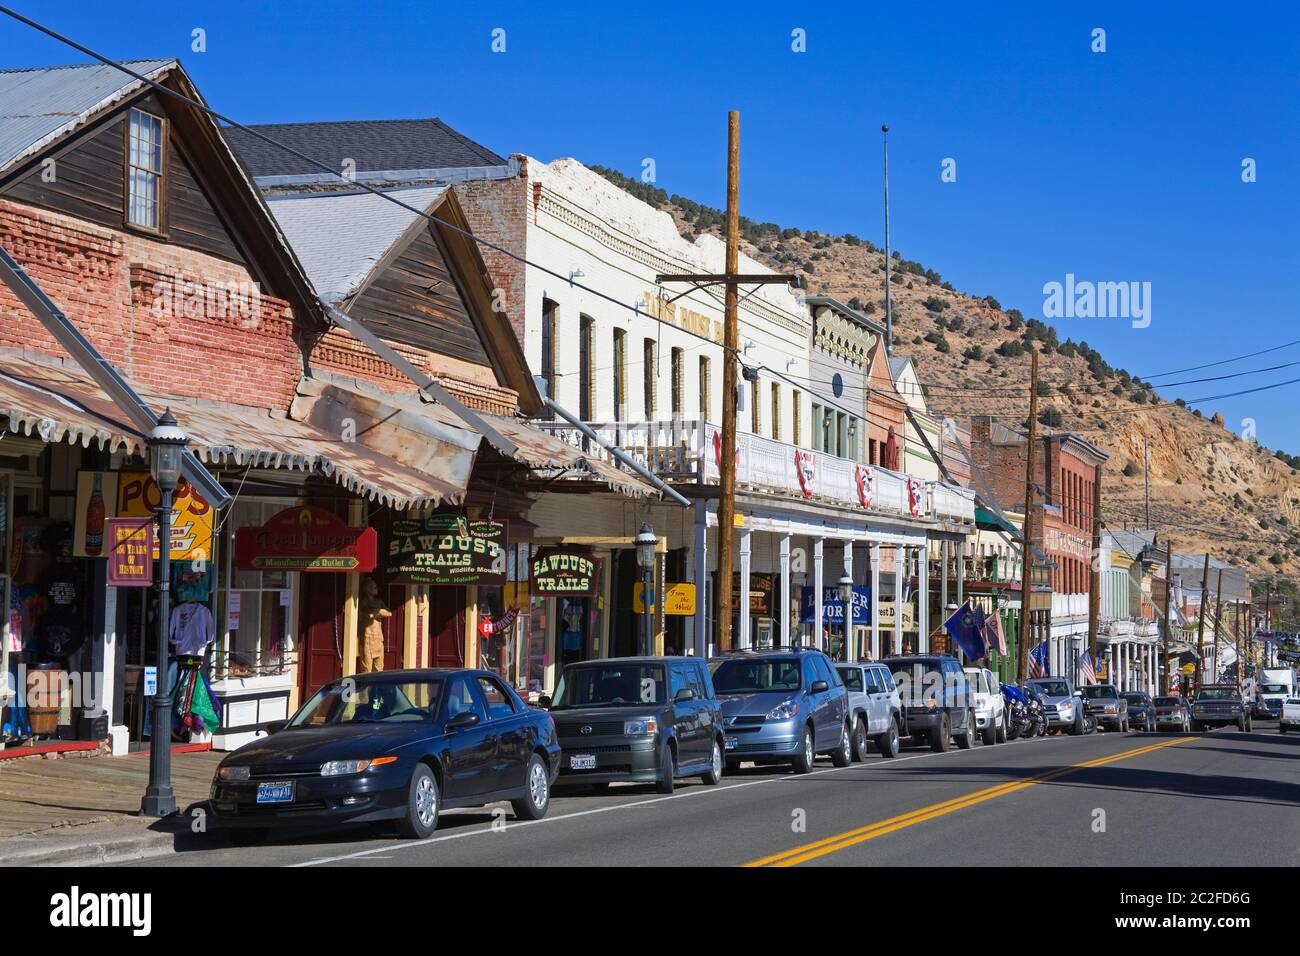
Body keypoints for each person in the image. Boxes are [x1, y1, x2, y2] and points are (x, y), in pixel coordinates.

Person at [358, 578, 391, 673]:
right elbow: (366, 614)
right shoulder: (363, 602)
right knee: (366, 668)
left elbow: (388, 612)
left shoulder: (379, 602)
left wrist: (379, 611)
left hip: (379, 638)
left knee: (379, 667)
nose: (376, 588)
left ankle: (377, 687)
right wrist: (375, 613)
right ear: (367, 589)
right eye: (374, 587)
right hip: (367, 637)